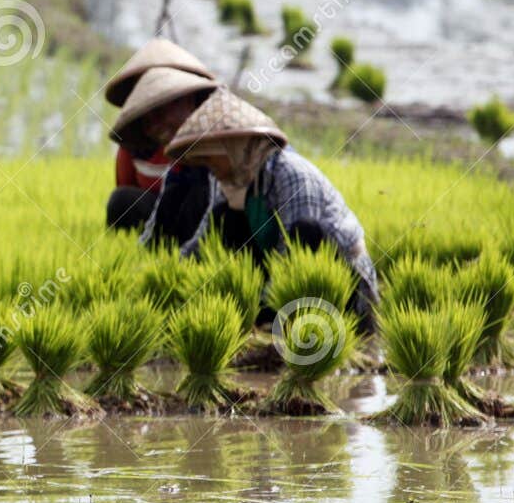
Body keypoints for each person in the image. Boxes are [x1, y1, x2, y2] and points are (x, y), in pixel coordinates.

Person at [149, 87, 379, 325]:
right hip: (281, 279)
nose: (208, 167)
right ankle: (267, 311)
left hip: (341, 282)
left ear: (233, 147)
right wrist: (168, 278)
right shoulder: (231, 182)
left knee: (305, 229)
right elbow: (203, 239)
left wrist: (257, 302)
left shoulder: (291, 173)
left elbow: (295, 251)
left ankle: (295, 316)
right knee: (224, 218)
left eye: (209, 157)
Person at [102, 38, 217, 231]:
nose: (156, 122)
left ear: (189, 99)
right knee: (121, 201)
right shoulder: (136, 145)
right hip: (162, 215)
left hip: (209, 215)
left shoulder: (211, 137)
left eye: (166, 105)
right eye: (147, 110)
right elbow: (127, 193)